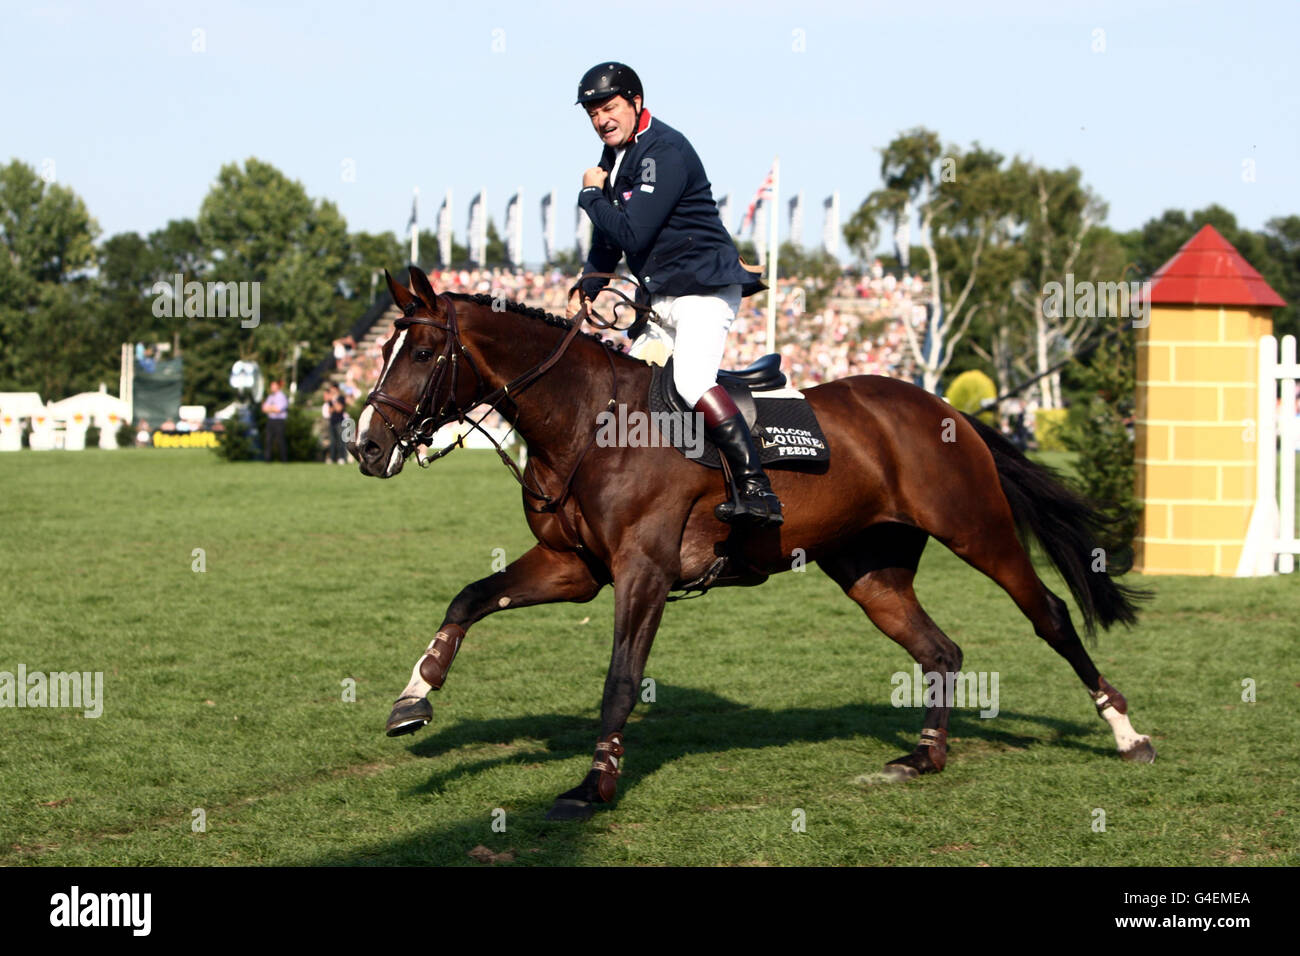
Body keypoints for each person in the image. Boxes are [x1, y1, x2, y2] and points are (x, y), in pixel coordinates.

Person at [566, 62, 782, 527]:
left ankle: (755, 487)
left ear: (635, 103)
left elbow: (633, 234)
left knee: (689, 382)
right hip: (664, 300)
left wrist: (589, 196)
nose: (601, 119)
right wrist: (588, 286)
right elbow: (610, 242)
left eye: (609, 107)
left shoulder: (663, 150)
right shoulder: (619, 157)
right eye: (592, 113)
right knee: (629, 393)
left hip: (703, 292)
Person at [261, 380, 288, 462]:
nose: (272, 388)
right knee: (268, 440)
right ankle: (267, 460)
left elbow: (278, 409)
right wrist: (272, 408)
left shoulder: (281, 396)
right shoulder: (270, 397)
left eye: (273, 386)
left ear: (277, 386)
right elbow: (264, 409)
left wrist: (270, 408)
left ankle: (284, 460)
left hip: (279, 421)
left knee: (280, 440)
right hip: (271, 420)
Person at [323, 384, 348, 464]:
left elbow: (339, 409)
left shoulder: (341, 398)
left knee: (341, 441)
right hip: (332, 421)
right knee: (333, 441)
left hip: (340, 421)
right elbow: (330, 411)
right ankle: (332, 458)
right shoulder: (331, 401)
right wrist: (334, 404)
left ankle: (342, 458)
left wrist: (334, 404)